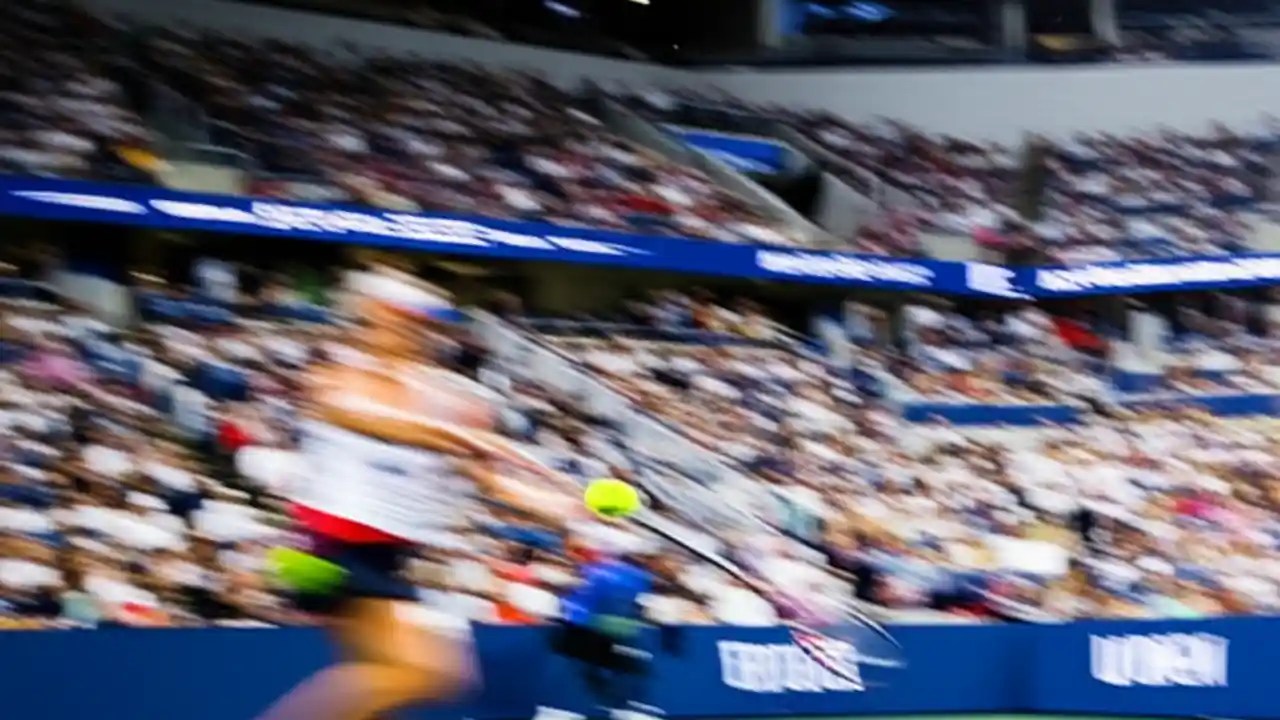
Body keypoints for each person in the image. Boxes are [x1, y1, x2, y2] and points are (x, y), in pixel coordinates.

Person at [253, 266, 581, 720]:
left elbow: (484, 479)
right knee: (429, 671)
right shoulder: (339, 378)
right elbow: (370, 419)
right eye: (392, 319)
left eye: (417, 322)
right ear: (366, 321)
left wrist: (565, 507)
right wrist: (458, 435)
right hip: (324, 549)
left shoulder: (445, 398)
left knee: (386, 678)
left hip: (384, 554)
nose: (408, 330)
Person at [537, 544, 660, 720]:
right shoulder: (638, 578)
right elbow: (637, 608)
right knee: (626, 668)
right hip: (596, 630)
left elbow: (573, 594)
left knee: (594, 671)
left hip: (577, 628)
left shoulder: (594, 570)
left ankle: (560, 711)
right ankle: (623, 708)